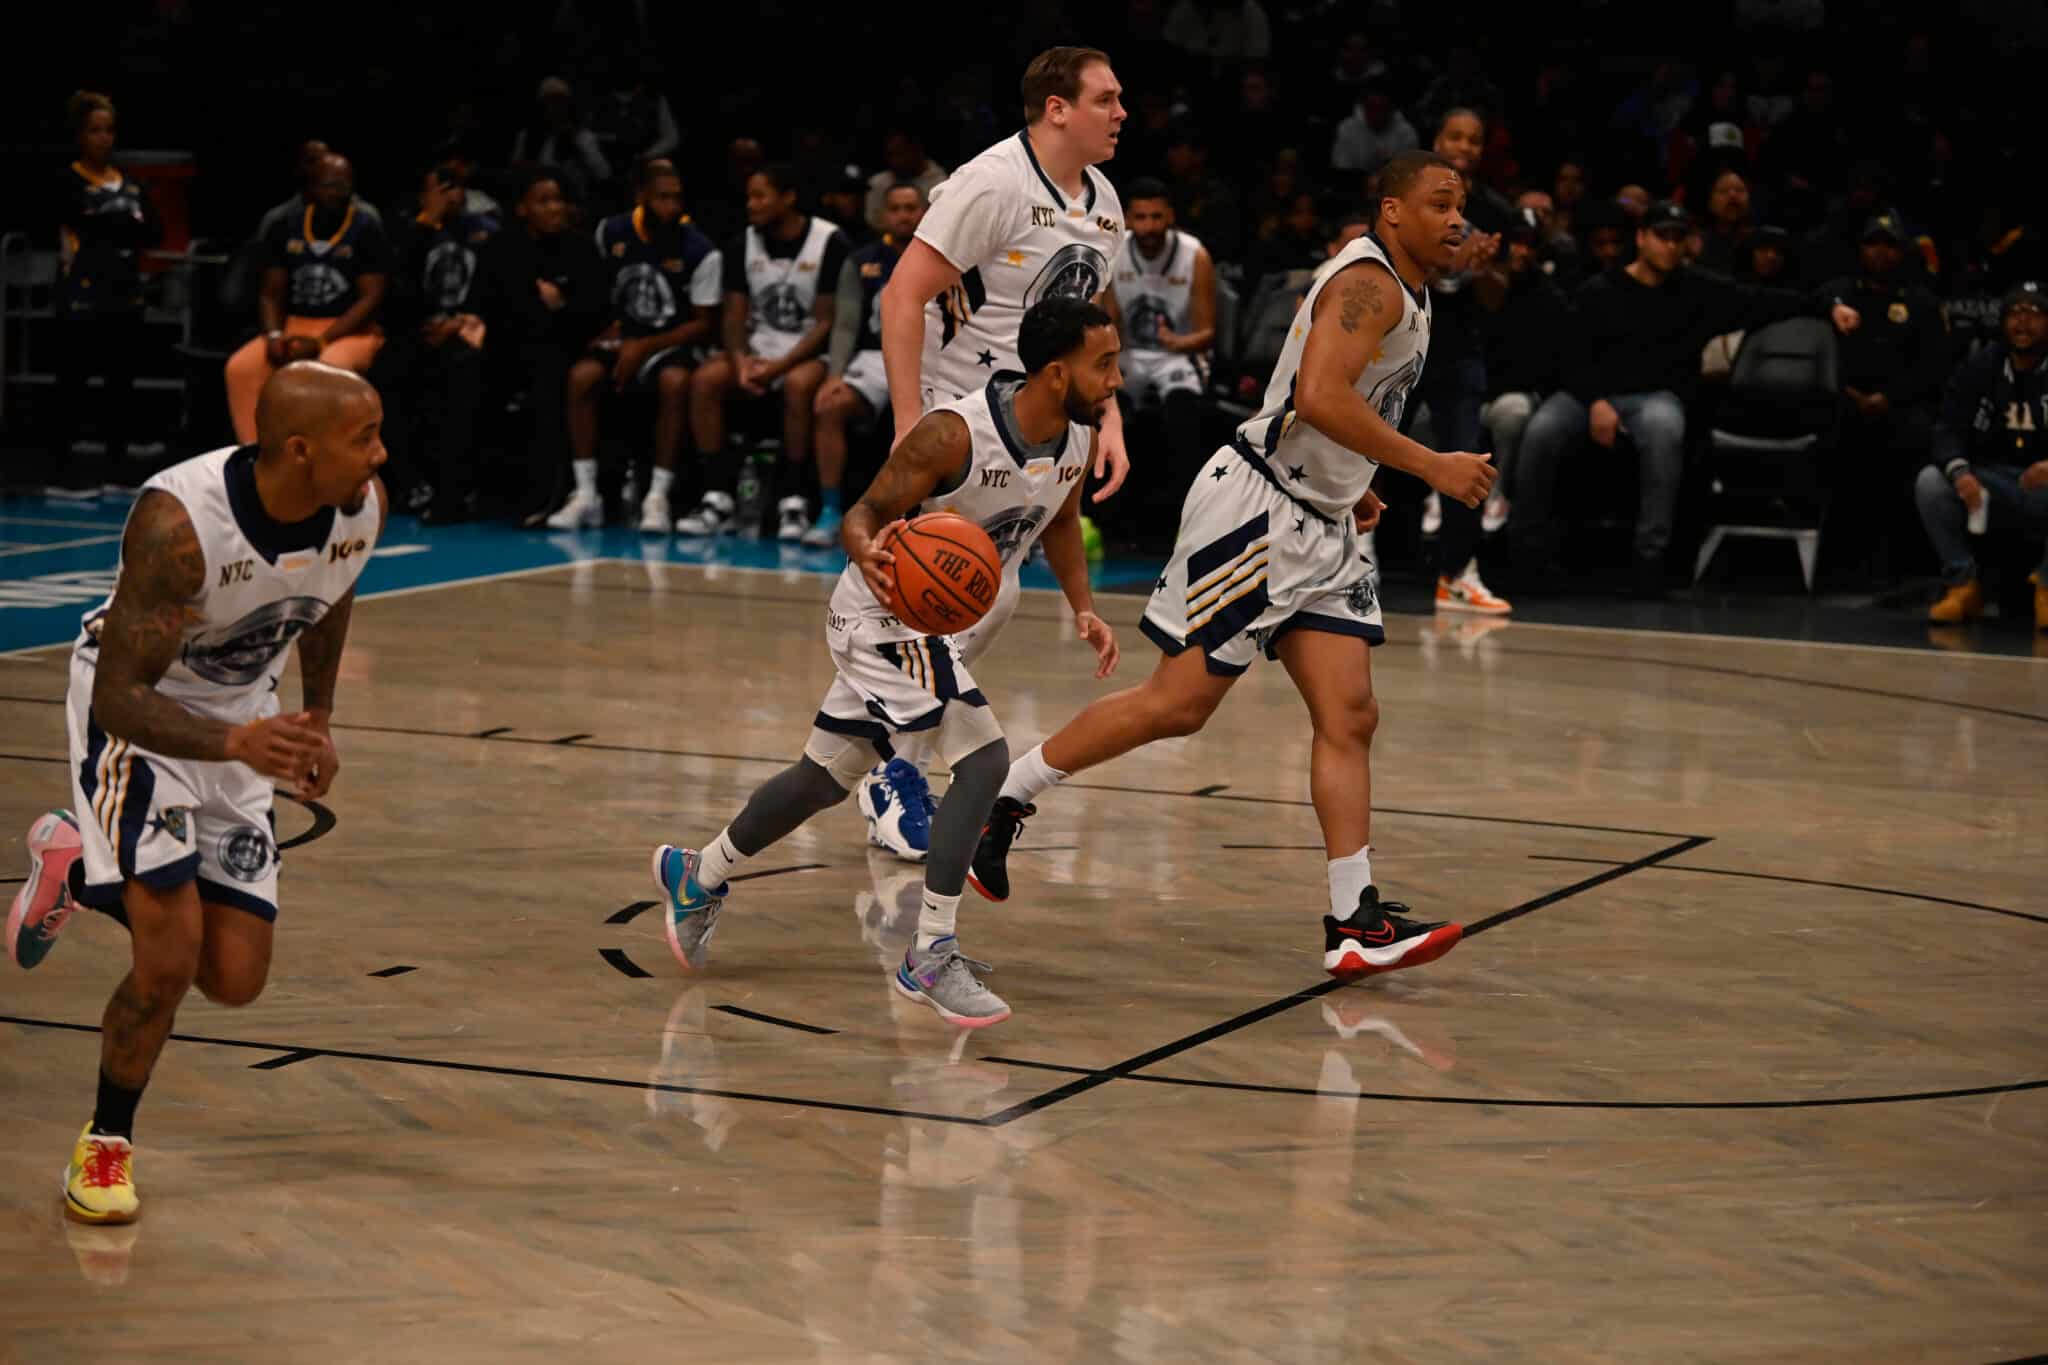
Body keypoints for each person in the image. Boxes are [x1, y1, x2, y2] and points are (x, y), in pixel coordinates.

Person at [969, 151, 1497, 978]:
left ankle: (1354, 920)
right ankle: (1007, 797)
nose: (1455, 218)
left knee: (1351, 713)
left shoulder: (1409, 288)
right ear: (1392, 210)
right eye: (1439, 203)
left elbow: (1326, 404)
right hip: (1260, 513)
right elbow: (1319, 395)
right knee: (1177, 707)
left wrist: (1353, 482)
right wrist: (1429, 466)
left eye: (1461, 204)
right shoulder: (1371, 284)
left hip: (1323, 521)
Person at [649, 297, 1124, 1025]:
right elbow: (861, 513)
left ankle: (698, 872)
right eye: (1105, 363)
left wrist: (1082, 606)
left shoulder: (1073, 440)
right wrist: (866, 545)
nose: (1116, 377)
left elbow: (1059, 519)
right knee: (985, 760)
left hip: (938, 635)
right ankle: (929, 951)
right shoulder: (952, 435)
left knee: (821, 779)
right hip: (881, 619)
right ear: (1057, 373)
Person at [6, 363, 388, 1224]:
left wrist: (316, 714)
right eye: (363, 437)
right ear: (300, 449)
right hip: (139, 723)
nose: (381, 452)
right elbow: (117, 696)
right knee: (169, 956)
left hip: (241, 723)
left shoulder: (360, 507)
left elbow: (331, 597)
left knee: (235, 976)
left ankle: (73, 868)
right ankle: (105, 1143)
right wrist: (236, 742)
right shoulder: (178, 524)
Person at [869, 45, 1133, 855]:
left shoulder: (1106, 201)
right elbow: (901, 294)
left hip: (1042, 424)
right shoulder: (992, 181)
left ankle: (889, 756)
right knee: (939, 596)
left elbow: (1094, 316)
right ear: (1058, 108)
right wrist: (912, 423)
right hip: (967, 417)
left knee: (992, 595)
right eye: (1106, 99)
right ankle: (894, 773)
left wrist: (1108, 417)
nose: (1122, 113)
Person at [1511, 201, 1860, 596]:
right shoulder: (1599, 291)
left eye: (1678, 238)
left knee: (1665, 427)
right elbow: (1569, 358)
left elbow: (1764, 301)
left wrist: (1827, 307)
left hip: (1653, 398)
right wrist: (1596, 403)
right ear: (1642, 239)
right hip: (1589, 394)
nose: (1671, 247)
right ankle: (1527, 555)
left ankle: (1650, 559)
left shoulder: (1697, 290)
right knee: (1541, 429)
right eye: (1662, 236)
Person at [546, 160, 721, 533]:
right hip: (623, 337)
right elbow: (598, 290)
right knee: (581, 377)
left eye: (677, 198)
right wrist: (606, 330)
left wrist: (644, 347)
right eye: (663, 198)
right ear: (640, 196)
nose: (672, 207)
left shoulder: (701, 249)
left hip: (670, 340)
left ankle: (657, 496)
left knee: (675, 382)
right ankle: (585, 493)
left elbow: (704, 325)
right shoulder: (610, 232)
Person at [678, 165, 846, 540]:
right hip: (756, 351)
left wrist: (779, 368)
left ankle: (794, 499)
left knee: (799, 387)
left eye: (760, 196)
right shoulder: (741, 245)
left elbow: (825, 323)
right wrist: (740, 364)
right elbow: (734, 315)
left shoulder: (829, 242)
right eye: (748, 196)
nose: (750, 204)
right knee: (705, 380)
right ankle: (717, 494)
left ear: (788, 198)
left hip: (808, 353)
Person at [222, 156, 390, 445]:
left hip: (350, 332)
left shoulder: (366, 227)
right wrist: (275, 334)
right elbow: (270, 292)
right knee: (241, 366)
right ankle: (255, 455)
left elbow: (371, 298)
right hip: (295, 326)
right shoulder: (286, 225)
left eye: (345, 184)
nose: (339, 191)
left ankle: (327, 459)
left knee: (327, 371)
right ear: (311, 188)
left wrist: (321, 341)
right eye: (330, 184)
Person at [1918, 282, 2048, 630]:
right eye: (2015, 313)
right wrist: (1961, 473)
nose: (2023, 322)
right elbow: (1948, 429)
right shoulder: (1982, 365)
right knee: (1932, 482)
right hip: (1991, 483)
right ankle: (1963, 585)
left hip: (2044, 486)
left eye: (2034, 313)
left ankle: (2047, 587)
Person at [482, 172, 609, 524]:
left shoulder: (581, 249)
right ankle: (471, 491)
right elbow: (485, 304)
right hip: (506, 347)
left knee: (548, 382)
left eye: (558, 200)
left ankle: (545, 497)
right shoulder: (500, 248)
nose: (555, 209)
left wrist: (560, 307)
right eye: (544, 201)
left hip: (562, 346)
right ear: (523, 208)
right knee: (461, 372)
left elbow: (596, 316)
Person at [376, 163, 498, 522]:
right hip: (418, 331)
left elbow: (494, 290)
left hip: (468, 332)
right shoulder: (407, 233)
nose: (450, 195)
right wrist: (423, 226)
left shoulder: (486, 232)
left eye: (456, 186)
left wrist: (461, 321)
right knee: (387, 373)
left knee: (462, 375)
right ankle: (410, 483)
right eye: (440, 188)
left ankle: (454, 491)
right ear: (423, 195)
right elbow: (396, 295)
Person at [51, 91, 162, 480]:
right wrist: (116, 225)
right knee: (73, 382)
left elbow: (152, 230)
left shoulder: (129, 183)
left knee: (121, 383)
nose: (104, 138)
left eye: (109, 130)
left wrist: (112, 225)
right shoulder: (66, 180)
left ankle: (117, 468)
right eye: (95, 131)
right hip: (81, 293)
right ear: (80, 135)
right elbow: (89, 227)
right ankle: (63, 471)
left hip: (124, 293)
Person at [813, 184, 927, 550]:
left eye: (911, 208)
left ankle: (924, 520)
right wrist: (834, 375)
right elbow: (845, 323)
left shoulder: (940, 257)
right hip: (874, 357)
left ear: (925, 213)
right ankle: (830, 511)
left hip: (926, 357)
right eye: (896, 208)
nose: (904, 215)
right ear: (882, 215)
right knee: (829, 406)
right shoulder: (861, 260)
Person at [1105, 177, 1215, 474]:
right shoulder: (1113, 251)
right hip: (1129, 353)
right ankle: (1110, 507)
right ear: (1127, 219)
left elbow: (1207, 334)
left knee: (1184, 417)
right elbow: (1108, 324)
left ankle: (1183, 505)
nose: (1149, 226)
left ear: (1170, 216)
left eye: (1156, 217)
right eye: (1140, 217)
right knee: (1108, 414)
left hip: (1179, 355)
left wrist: (1175, 342)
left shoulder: (1195, 254)